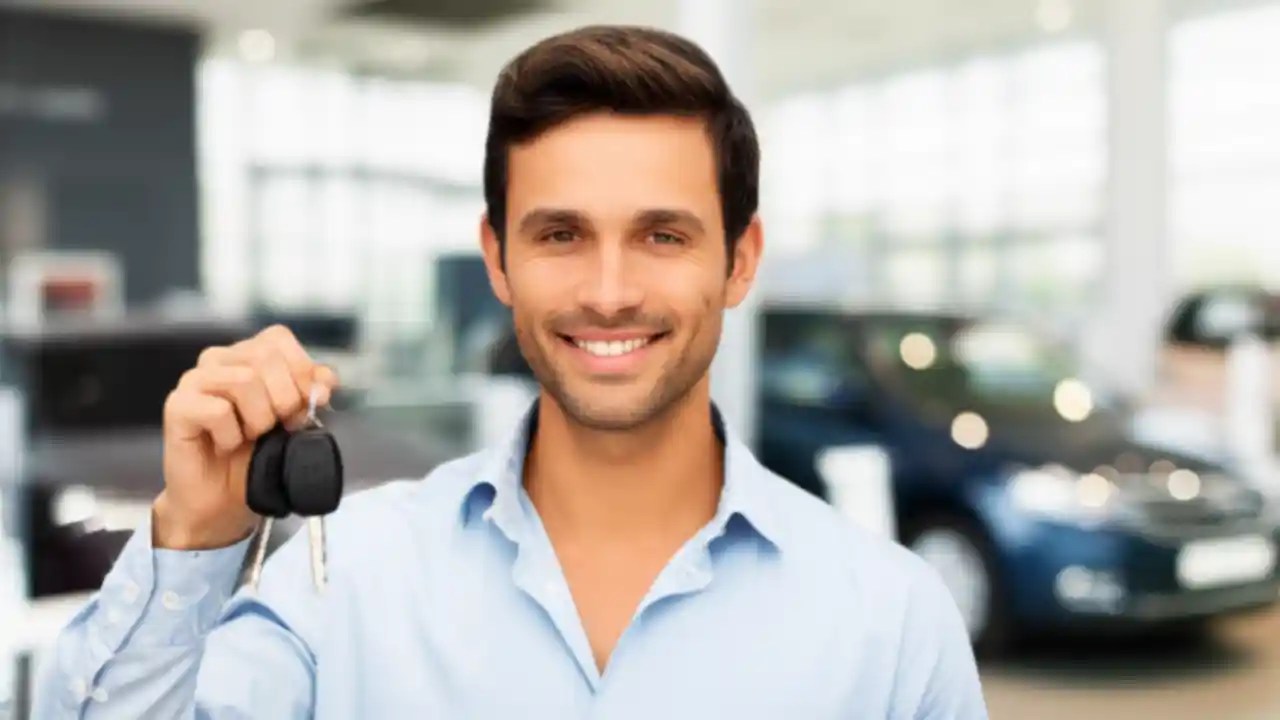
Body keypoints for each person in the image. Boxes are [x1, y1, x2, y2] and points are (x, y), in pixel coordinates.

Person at [33, 25, 987, 719]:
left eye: (663, 235)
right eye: (561, 235)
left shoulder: (890, 620)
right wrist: (194, 537)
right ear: (498, 259)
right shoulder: (347, 579)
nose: (609, 292)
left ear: (740, 260)